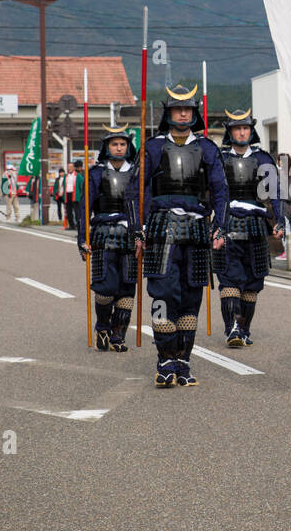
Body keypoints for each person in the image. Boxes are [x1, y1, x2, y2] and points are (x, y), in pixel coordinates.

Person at [131, 85, 228, 388]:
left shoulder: (208, 149)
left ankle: (183, 362)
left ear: (195, 113)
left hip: (197, 231)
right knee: (162, 295)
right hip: (161, 230)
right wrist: (138, 229)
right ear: (169, 113)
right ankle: (164, 360)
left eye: (188, 109)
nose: (183, 113)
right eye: (177, 109)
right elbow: (135, 192)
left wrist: (220, 225)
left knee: (190, 299)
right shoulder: (152, 147)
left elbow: (221, 191)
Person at [216, 109, 283, 348]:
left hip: (256, 225)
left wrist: (280, 221)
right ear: (230, 132)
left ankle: (243, 328)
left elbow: (275, 194)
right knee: (229, 279)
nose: (242, 132)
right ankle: (231, 328)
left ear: (251, 131)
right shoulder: (220, 159)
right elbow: (211, 193)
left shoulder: (264, 159)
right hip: (228, 222)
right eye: (237, 128)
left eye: (245, 128)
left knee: (252, 283)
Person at [80, 128, 138, 352]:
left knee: (127, 288)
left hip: (130, 235)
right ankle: (103, 326)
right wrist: (82, 239)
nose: (119, 148)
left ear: (128, 147)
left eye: (122, 144)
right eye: (114, 144)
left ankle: (118, 335)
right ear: (107, 147)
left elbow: (144, 205)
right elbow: (85, 208)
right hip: (103, 234)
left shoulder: (135, 173)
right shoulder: (96, 174)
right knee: (105, 287)